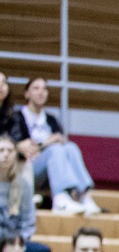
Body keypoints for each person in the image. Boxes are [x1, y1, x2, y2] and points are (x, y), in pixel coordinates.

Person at [7, 77, 100, 215]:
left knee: (71, 147)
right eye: (36, 88)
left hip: (52, 169)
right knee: (55, 150)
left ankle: (84, 195)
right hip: (28, 168)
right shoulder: (17, 117)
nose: (41, 92)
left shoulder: (51, 120)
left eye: (44, 89)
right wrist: (46, 143)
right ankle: (60, 199)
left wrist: (58, 142)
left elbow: (61, 143)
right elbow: (21, 149)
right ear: (27, 93)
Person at [0, 137, 50, 252]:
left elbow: (28, 222)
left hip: (15, 241)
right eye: (1, 150)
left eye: (9, 150)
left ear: (15, 154)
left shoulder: (23, 185)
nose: (5, 154)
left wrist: (16, 245)